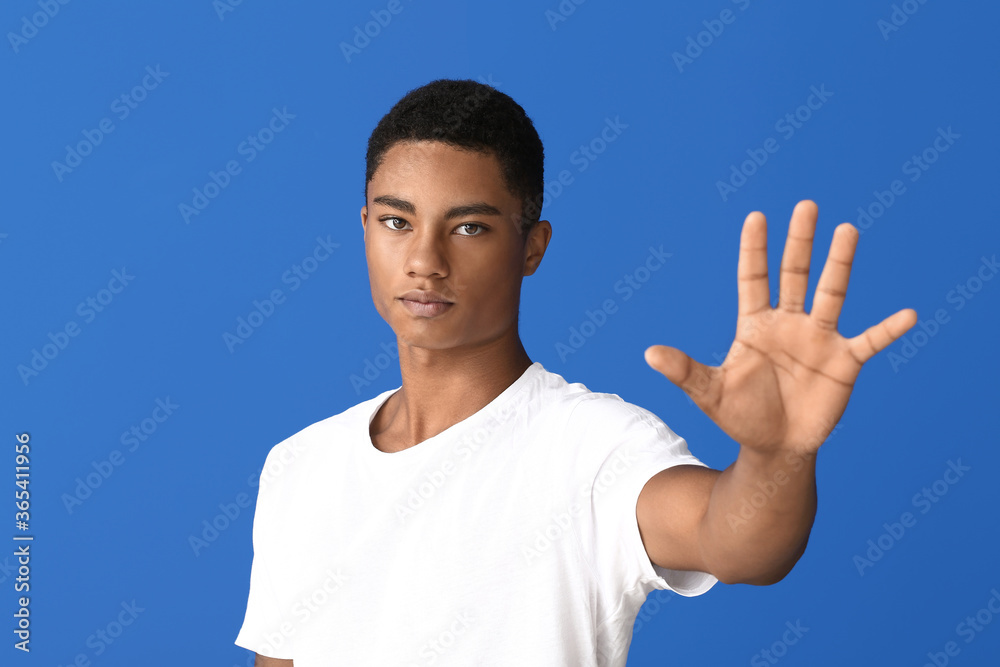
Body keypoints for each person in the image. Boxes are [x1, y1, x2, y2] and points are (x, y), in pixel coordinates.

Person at [234, 78, 916, 666]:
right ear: (363, 227)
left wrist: (776, 453)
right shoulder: (301, 466)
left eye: (469, 227)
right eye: (396, 221)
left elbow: (738, 544)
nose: (424, 259)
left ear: (532, 246)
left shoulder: (595, 449)